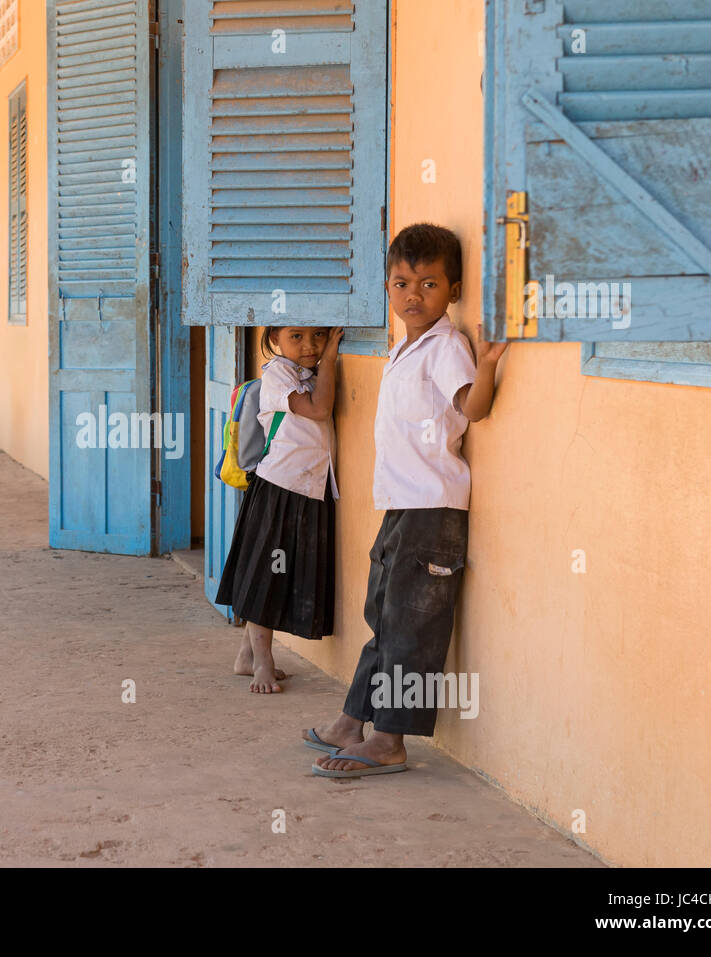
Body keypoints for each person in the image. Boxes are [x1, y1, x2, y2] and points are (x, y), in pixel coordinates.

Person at [304, 223, 507, 778]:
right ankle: (354, 720)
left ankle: (390, 739)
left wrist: (486, 366)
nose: (413, 296)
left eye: (429, 285)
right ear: (387, 288)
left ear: (454, 291)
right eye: (401, 284)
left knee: (411, 626)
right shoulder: (403, 348)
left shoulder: (445, 348)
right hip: (402, 505)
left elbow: (473, 409)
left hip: (433, 507)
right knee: (383, 616)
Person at [216, 324, 345, 693]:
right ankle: (264, 664)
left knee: (276, 577)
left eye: (318, 335)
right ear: (274, 340)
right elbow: (319, 409)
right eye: (296, 337)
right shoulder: (278, 375)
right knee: (266, 579)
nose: (310, 345)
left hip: (307, 487)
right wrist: (332, 358)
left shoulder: (306, 373)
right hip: (279, 490)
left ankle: (246, 657)